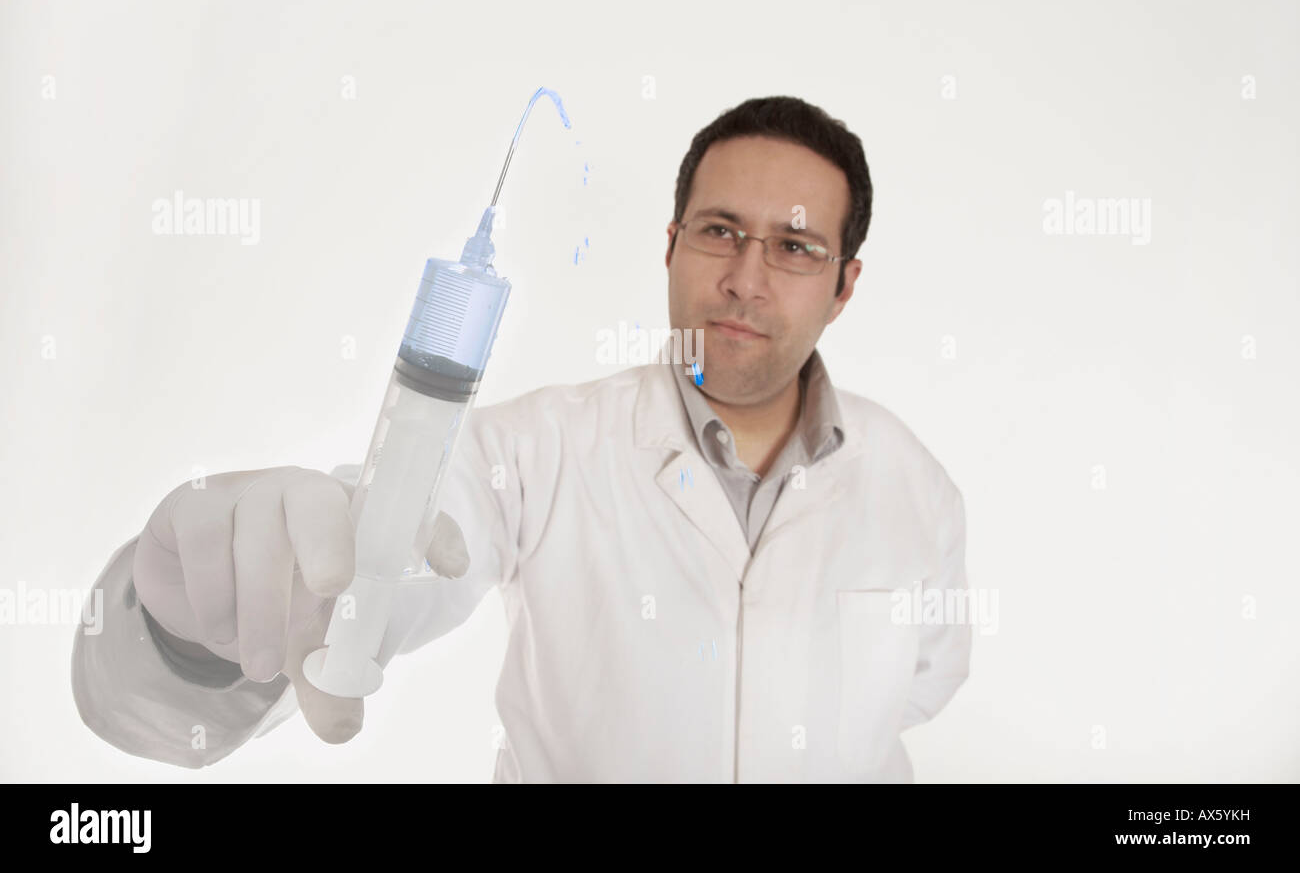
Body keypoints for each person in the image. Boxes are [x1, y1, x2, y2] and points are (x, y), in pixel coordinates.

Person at [72, 95, 971, 782]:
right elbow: (404, 543)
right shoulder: (536, 451)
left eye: (795, 248)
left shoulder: (916, 488)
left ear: (845, 285)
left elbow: (926, 685)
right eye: (720, 231)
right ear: (671, 245)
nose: (744, 279)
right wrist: (195, 622)